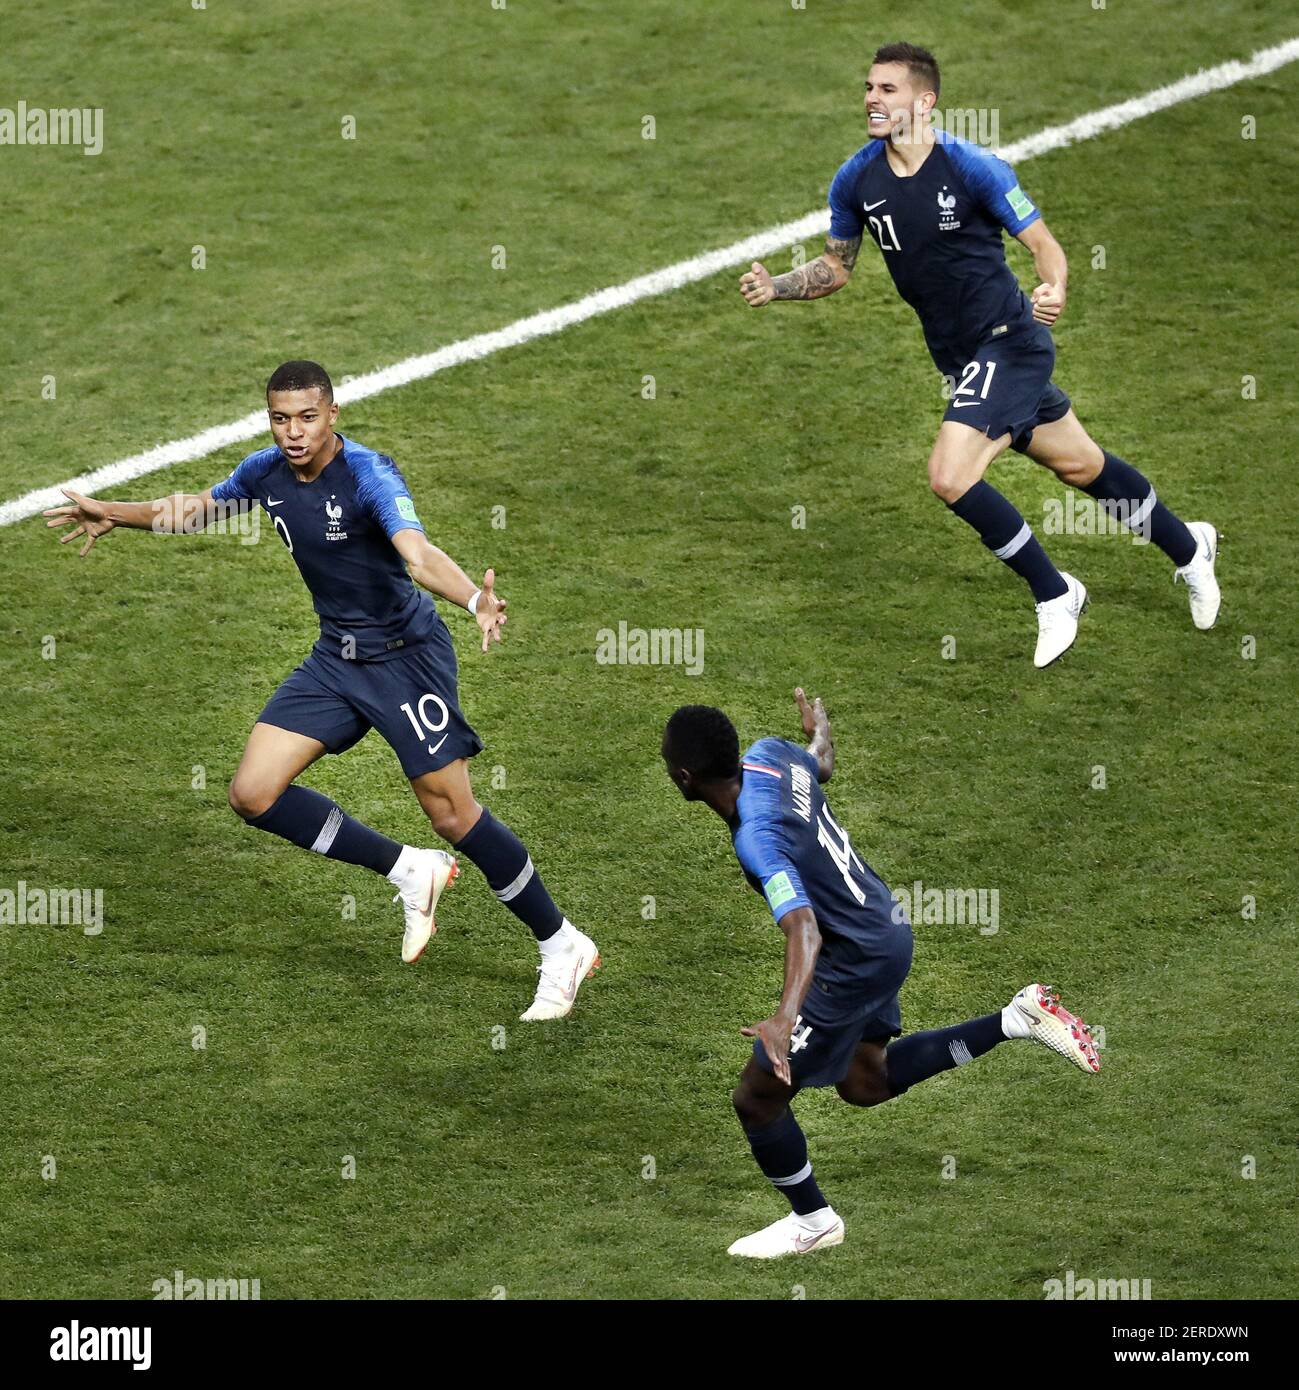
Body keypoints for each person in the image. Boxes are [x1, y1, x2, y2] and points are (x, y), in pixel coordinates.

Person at [44, 360, 600, 1021]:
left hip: (405, 661)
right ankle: (407, 870)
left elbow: (417, 554)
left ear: (332, 414)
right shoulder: (265, 472)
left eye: (307, 417)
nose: (293, 432)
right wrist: (111, 510)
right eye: (280, 419)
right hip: (335, 660)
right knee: (252, 793)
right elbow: (194, 512)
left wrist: (475, 596)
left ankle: (561, 943)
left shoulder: (369, 474)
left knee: (452, 815)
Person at [662, 690, 1098, 1257]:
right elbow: (820, 763)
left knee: (756, 1098)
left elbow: (805, 930)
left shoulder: (756, 838)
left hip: (851, 961)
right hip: (883, 927)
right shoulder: (773, 754)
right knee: (867, 1082)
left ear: (685, 776)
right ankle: (1016, 1020)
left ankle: (813, 1220)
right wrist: (820, 728)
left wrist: (782, 1018)